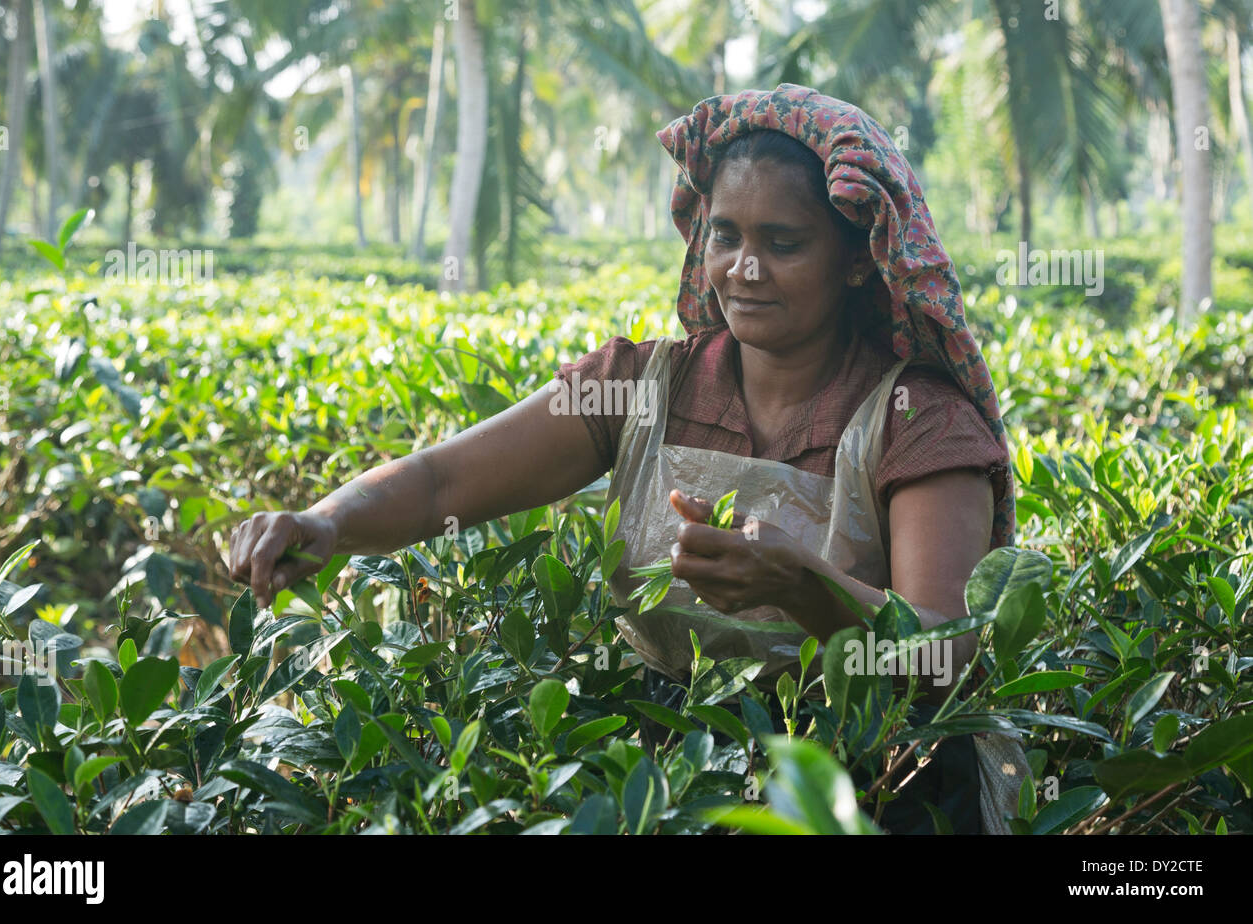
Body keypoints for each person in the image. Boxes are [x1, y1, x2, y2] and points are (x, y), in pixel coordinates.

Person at [227, 84, 1020, 833]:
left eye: (783, 244)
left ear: (857, 260)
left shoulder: (920, 421)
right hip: (682, 772)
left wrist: (803, 587)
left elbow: (944, 653)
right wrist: (325, 521)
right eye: (726, 236)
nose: (744, 269)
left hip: (885, 787)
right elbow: (442, 479)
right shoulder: (640, 386)